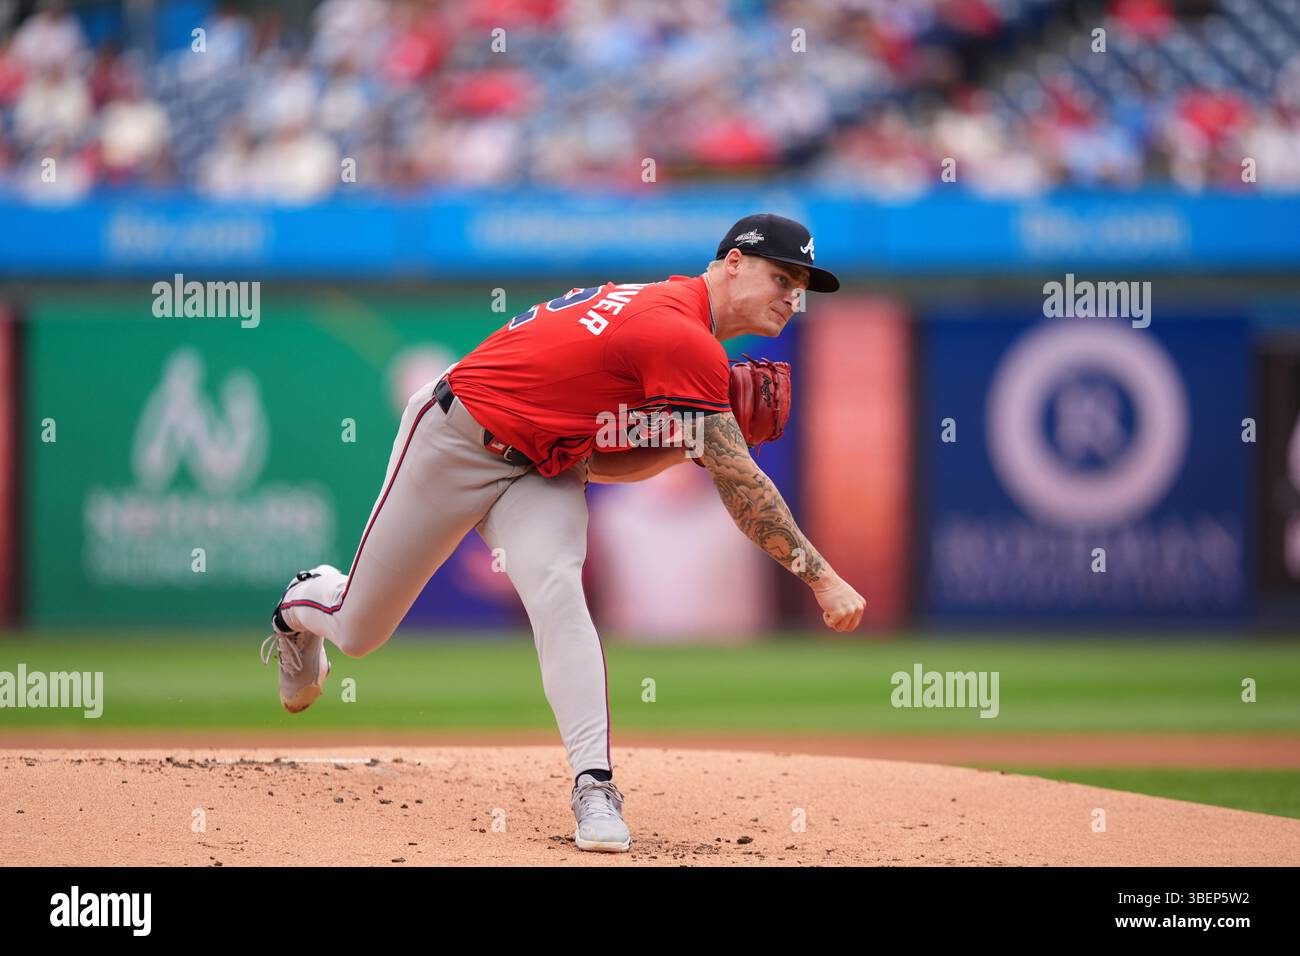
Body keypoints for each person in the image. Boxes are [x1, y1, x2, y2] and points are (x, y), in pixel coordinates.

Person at [260, 213, 867, 852]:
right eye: (782, 276)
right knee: (358, 630)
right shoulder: (679, 334)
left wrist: (692, 445)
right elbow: (744, 489)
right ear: (733, 262)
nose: (792, 297)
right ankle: (302, 603)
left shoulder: (678, 328)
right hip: (457, 437)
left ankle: (594, 786)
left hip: (543, 466)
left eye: (801, 286)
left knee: (558, 593)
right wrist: (822, 579)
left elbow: (598, 461)